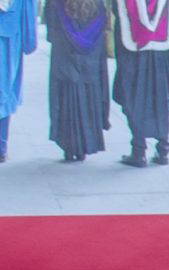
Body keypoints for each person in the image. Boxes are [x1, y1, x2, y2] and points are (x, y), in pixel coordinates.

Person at [108, 0, 169, 167]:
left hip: (134, 55)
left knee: (134, 98)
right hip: (162, 57)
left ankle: (139, 152)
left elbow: (118, 19)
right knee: (162, 99)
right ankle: (163, 151)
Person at [42, 0, 109, 163]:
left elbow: (50, 35)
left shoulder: (55, 4)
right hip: (90, 63)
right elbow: (103, 32)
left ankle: (69, 148)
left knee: (66, 101)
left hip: (64, 61)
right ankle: (85, 146)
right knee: (87, 99)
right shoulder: (98, 5)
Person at [1, 0, 44, 165]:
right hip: (8, 37)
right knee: (3, 94)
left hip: (8, 34)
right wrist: (29, 42)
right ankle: (1, 147)